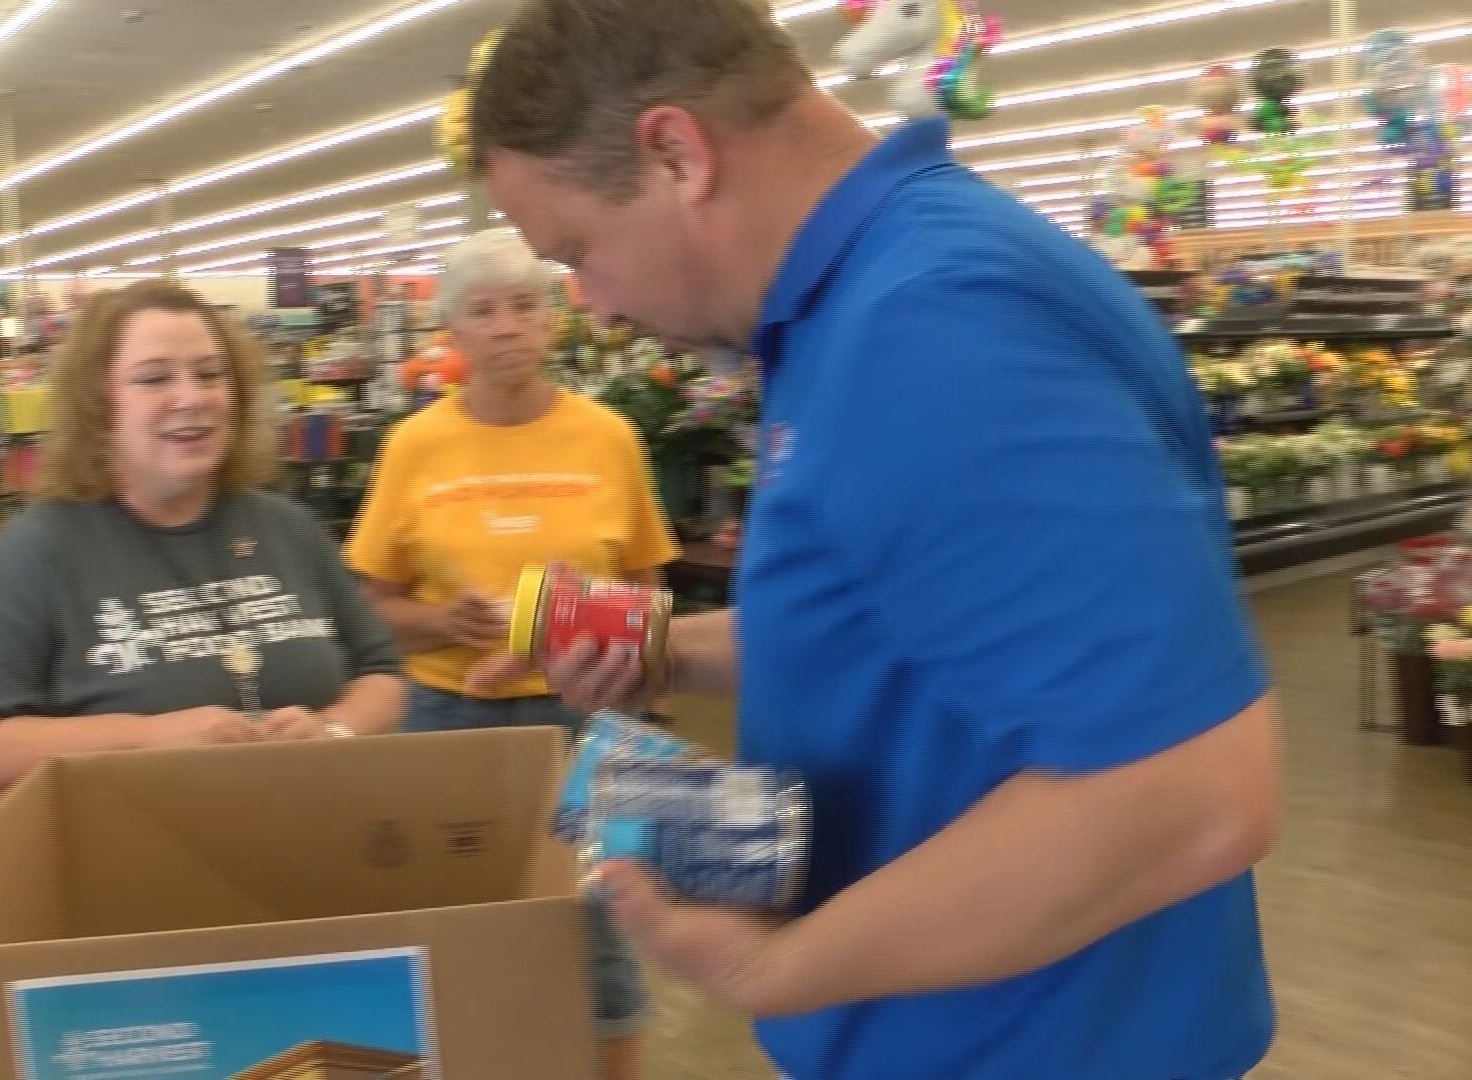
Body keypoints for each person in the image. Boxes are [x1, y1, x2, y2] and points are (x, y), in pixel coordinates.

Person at [466, 2, 1283, 1078]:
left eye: (577, 252)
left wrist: (774, 969)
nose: (594, 306)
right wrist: (659, 644)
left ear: (675, 154)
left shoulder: (931, 331)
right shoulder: (861, 296)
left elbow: (1186, 796)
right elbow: (914, 628)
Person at [345, 228, 679, 1079]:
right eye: (483, 311)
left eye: (525, 306)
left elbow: (650, 595)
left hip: (583, 716)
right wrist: (439, 620)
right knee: (454, 916)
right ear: (452, 330)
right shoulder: (414, 446)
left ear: (552, 318)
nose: (506, 327)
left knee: (601, 917)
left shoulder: (607, 437)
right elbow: (370, 605)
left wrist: (621, 662)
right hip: (447, 717)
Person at [0, 280, 404, 807]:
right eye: (154, 378)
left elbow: (380, 672)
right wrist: (148, 737)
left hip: (316, 841)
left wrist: (336, 730)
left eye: (210, 374)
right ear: (98, 406)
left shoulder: (287, 528)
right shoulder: (39, 552)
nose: (192, 397)